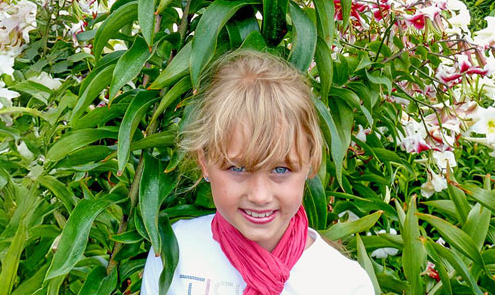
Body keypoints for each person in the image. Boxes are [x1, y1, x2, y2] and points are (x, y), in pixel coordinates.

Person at [141, 49, 375, 295]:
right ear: (204, 160)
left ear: (311, 162)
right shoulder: (172, 250)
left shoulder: (344, 284)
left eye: (281, 169)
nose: (260, 195)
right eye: (238, 168)